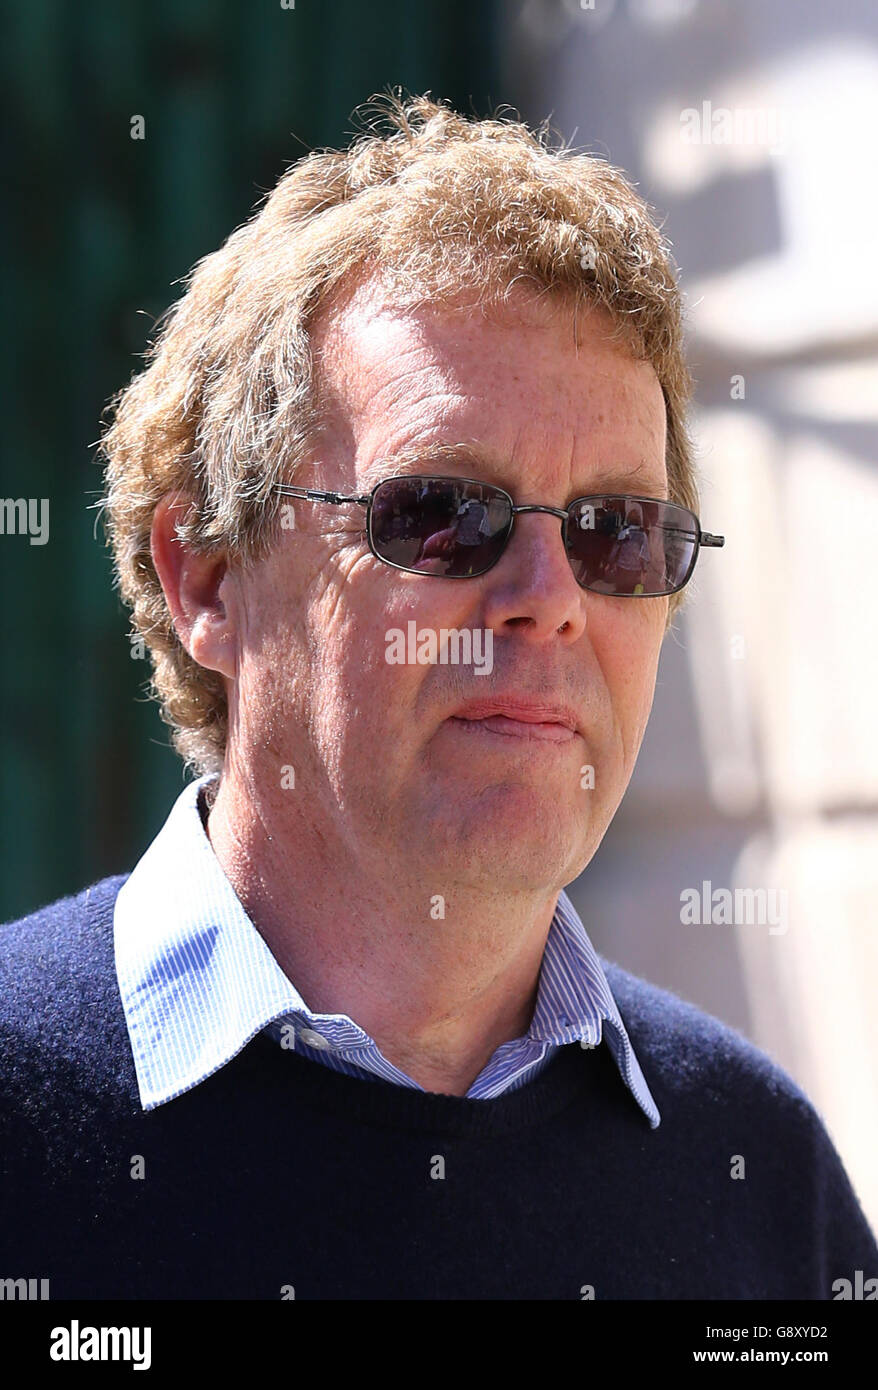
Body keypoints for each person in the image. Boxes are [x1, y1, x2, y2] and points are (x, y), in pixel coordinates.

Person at [1, 93, 875, 1301]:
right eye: (444, 514)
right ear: (206, 573)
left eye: (615, 532)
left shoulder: (754, 1174)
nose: (550, 598)